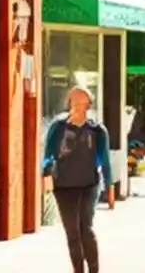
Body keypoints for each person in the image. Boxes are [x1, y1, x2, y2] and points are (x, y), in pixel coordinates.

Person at [42, 87, 114, 273]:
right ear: (69, 103)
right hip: (64, 185)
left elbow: (105, 160)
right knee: (72, 232)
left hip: (89, 184)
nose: (78, 107)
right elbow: (48, 154)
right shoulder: (58, 127)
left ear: (88, 105)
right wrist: (46, 170)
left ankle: (94, 269)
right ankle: (78, 270)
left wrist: (110, 186)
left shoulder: (97, 130)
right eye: (74, 102)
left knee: (86, 228)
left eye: (82, 103)